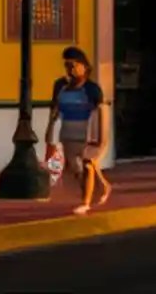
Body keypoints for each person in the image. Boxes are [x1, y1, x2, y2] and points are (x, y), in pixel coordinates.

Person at [46, 46, 111, 215]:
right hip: (69, 133)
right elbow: (54, 111)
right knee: (76, 169)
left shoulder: (92, 89)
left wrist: (100, 138)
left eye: (73, 65)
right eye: (67, 65)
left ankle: (86, 202)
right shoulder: (60, 86)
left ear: (84, 67)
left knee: (87, 164)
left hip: (88, 133)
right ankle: (103, 187)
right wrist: (49, 132)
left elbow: (101, 112)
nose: (70, 70)